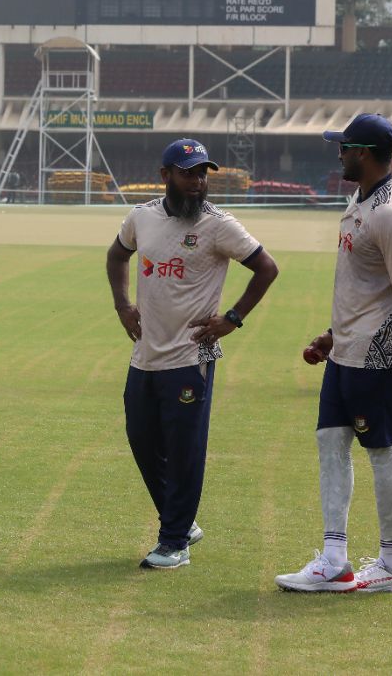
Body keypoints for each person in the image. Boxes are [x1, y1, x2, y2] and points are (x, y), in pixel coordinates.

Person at [276, 114, 392, 593]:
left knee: (383, 450)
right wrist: (333, 333)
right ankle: (333, 559)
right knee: (330, 442)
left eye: (342, 147)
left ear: (363, 154)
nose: (338, 154)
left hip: (380, 356)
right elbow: (365, 286)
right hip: (346, 350)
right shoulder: (362, 197)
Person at [106, 139, 278, 569]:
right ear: (166, 176)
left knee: (184, 450)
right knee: (141, 438)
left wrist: (232, 319)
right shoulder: (142, 217)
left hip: (190, 356)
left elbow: (266, 268)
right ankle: (180, 520)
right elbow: (116, 254)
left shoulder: (219, 226)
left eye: (203, 173)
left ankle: (174, 542)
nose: (198, 182)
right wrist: (123, 305)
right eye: (188, 172)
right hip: (145, 353)